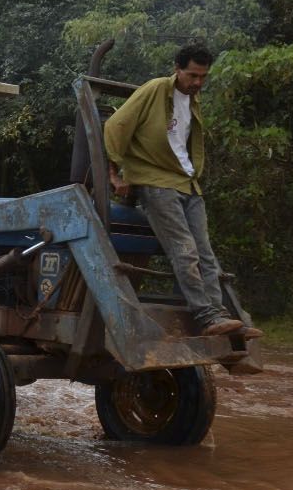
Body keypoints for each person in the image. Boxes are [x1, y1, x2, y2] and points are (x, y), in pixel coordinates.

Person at [104, 43, 262, 339]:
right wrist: (114, 174)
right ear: (177, 69)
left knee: (206, 253)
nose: (198, 82)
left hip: (187, 182)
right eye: (192, 76)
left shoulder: (193, 100)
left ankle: (220, 315)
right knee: (184, 249)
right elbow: (115, 125)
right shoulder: (155, 89)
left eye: (203, 77)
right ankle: (206, 315)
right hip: (156, 182)